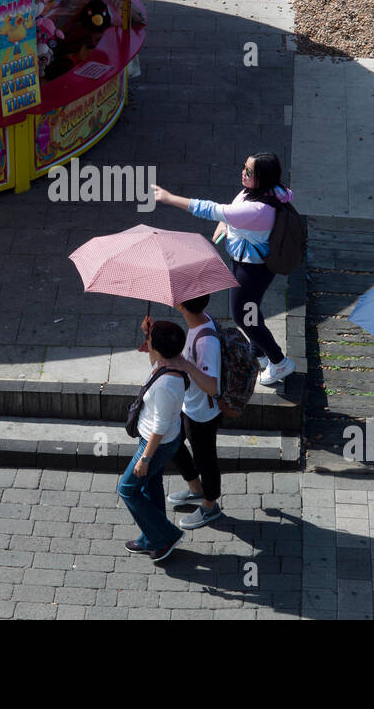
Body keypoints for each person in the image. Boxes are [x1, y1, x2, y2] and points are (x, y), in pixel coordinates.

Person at [150, 152, 296, 386]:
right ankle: (258, 352)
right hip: (253, 266)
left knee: (244, 316)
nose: (243, 172)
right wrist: (225, 224)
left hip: (252, 270)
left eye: (249, 171)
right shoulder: (266, 192)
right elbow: (231, 211)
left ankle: (279, 362)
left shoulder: (259, 209)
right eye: (244, 167)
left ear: (262, 177)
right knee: (251, 310)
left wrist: (169, 197)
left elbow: (212, 209)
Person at [142, 295, 225, 529]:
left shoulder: (205, 341)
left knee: (205, 459)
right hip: (188, 404)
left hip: (203, 413)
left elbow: (213, 387)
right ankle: (195, 489)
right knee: (174, 444)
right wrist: (150, 337)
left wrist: (186, 365)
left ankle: (210, 505)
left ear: (180, 305)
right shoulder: (197, 323)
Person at [117, 319, 189, 562]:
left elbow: (161, 424)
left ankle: (165, 535)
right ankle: (152, 538)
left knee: (127, 489)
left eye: (149, 342)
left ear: (157, 349)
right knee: (150, 485)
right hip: (156, 441)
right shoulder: (167, 364)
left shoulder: (167, 384)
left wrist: (145, 457)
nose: (146, 346)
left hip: (156, 445)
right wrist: (149, 334)